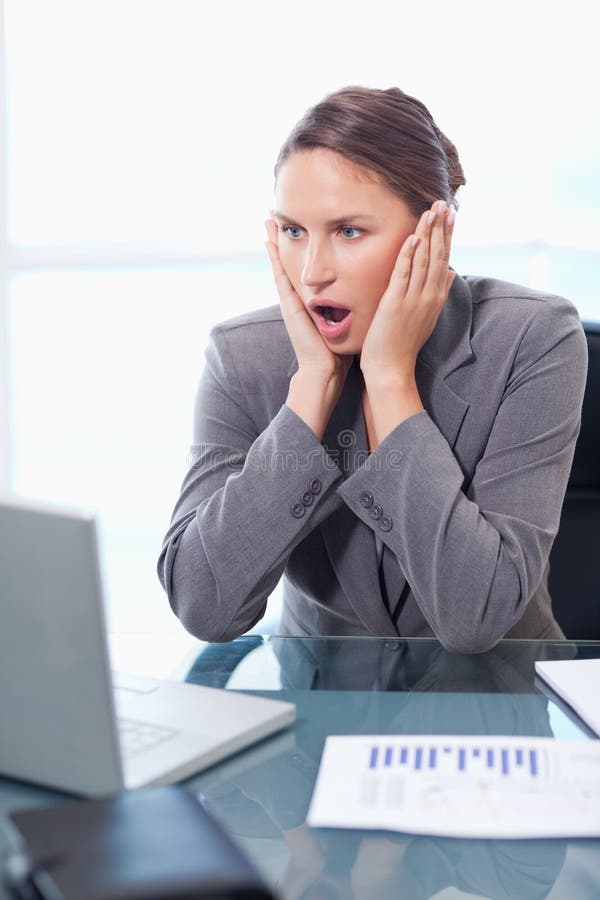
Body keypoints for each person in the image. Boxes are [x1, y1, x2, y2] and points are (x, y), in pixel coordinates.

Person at [157, 86, 587, 653]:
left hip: (497, 705)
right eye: (293, 231)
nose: (311, 273)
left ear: (432, 233)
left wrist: (389, 380)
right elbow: (202, 606)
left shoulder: (533, 338)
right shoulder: (243, 357)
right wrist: (310, 390)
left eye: (348, 231)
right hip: (317, 706)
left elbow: (476, 616)